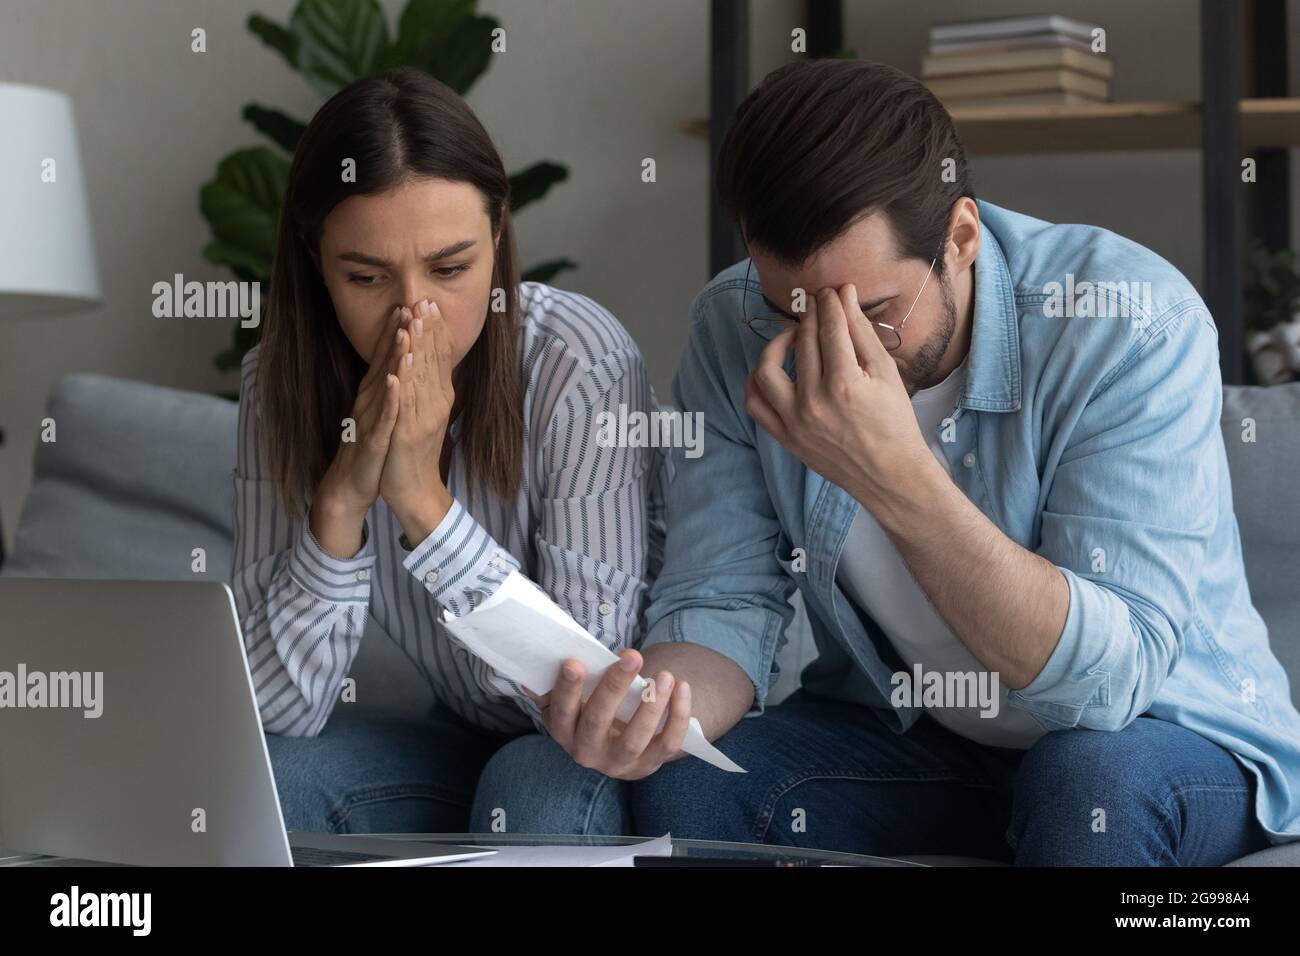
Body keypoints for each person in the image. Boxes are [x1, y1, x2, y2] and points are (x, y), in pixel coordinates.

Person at [471, 59, 1300, 865]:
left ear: (962, 238)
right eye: (786, 309)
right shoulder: (734, 327)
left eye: (872, 310)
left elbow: (1107, 686)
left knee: (1089, 787)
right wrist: (651, 711)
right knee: (692, 792)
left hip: (1161, 736)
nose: (831, 348)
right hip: (916, 733)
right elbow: (720, 604)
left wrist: (892, 474)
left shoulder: (1127, 324)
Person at [231, 67, 666, 834]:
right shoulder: (277, 384)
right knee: (273, 781)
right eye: (365, 276)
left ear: (498, 237)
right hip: (449, 732)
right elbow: (277, 710)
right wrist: (338, 505)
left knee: (532, 788)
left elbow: (587, 688)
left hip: (578, 746)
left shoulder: (577, 359)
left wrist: (421, 500)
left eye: (450, 268)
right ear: (316, 263)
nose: (414, 315)